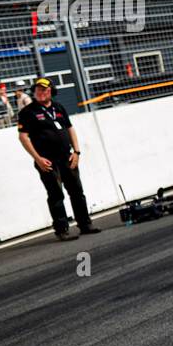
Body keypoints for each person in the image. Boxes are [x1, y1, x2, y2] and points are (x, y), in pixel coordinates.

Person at [17, 77, 100, 242]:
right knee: (55, 195)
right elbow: (23, 137)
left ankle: (85, 224)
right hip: (47, 161)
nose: (40, 93)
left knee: (77, 192)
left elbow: (70, 129)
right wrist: (38, 158)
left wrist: (76, 152)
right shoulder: (28, 112)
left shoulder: (59, 107)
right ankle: (62, 229)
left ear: (51, 92)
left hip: (67, 157)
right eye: (37, 90)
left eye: (44, 90)